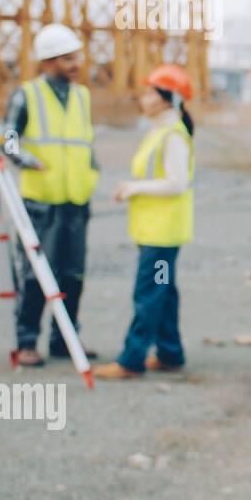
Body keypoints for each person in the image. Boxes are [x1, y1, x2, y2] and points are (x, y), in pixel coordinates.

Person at [3, 23, 101, 367]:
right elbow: (9, 139)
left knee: (73, 273)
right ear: (48, 61)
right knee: (34, 274)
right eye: (66, 58)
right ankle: (27, 341)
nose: (75, 63)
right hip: (40, 200)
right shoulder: (26, 94)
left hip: (76, 198)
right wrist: (29, 162)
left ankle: (66, 339)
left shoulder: (82, 96)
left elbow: (86, 142)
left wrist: (93, 173)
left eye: (76, 57)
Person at [93, 65, 196, 380]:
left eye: (151, 92)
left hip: (161, 233)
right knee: (163, 290)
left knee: (149, 293)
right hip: (156, 230)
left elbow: (177, 183)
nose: (144, 97)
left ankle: (131, 360)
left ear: (167, 98)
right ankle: (170, 353)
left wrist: (133, 188)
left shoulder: (173, 134)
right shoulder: (161, 130)